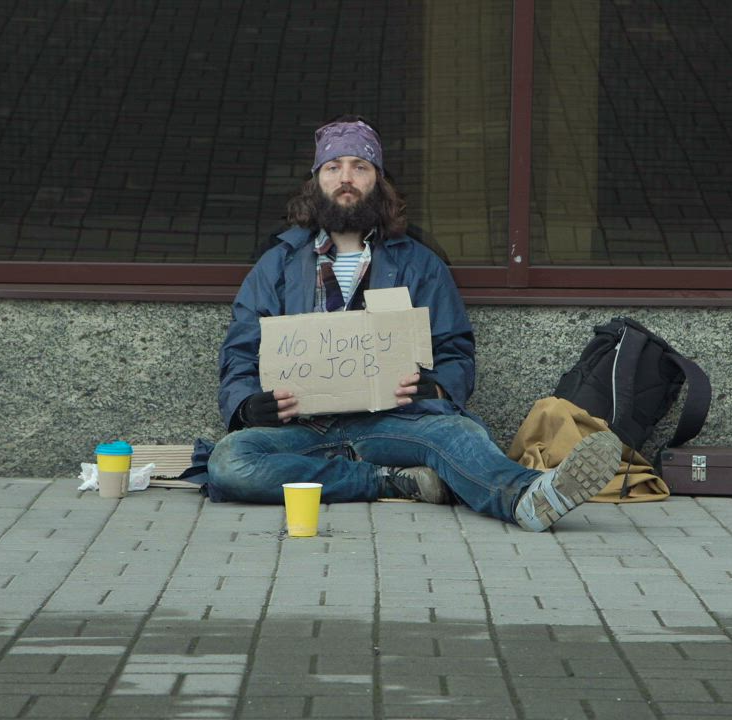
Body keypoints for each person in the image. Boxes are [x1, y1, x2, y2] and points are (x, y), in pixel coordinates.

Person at [205, 115, 623, 531]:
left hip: (393, 423)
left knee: (459, 435)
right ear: (315, 182)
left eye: (359, 166)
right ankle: (391, 481)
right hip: (301, 428)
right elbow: (241, 351)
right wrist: (247, 405)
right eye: (332, 167)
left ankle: (528, 497)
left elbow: (455, 349)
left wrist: (436, 387)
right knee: (228, 461)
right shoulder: (276, 265)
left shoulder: (419, 263)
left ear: (378, 181)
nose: (346, 177)